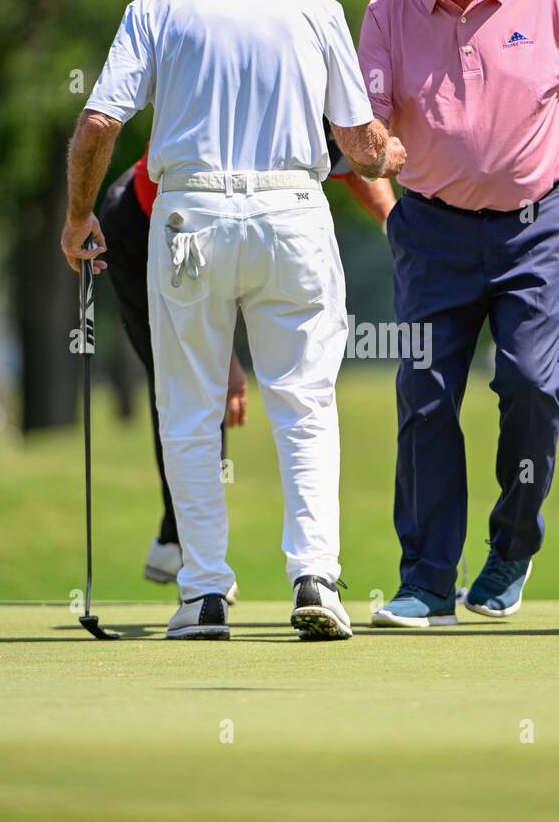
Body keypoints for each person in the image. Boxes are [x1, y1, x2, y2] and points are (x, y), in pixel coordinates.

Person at [61, 0, 404, 641]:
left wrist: (79, 216)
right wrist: (394, 154)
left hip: (191, 219)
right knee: (305, 406)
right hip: (292, 214)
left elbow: (98, 125)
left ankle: (205, 594)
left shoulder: (157, 4)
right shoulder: (314, 3)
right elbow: (356, 144)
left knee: (186, 411)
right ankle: (315, 576)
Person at [358, 0, 559, 628]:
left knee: (533, 386)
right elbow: (363, 119)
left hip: (537, 228)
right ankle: (429, 580)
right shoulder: (388, 10)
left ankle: (511, 548)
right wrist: (376, 156)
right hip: (431, 232)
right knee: (426, 395)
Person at [100, 131, 396, 591]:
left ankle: (182, 549)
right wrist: (226, 363)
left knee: (208, 386)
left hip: (217, 234)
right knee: (188, 388)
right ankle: (187, 555)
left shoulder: (302, 89)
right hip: (140, 224)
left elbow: (348, 157)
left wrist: (392, 221)